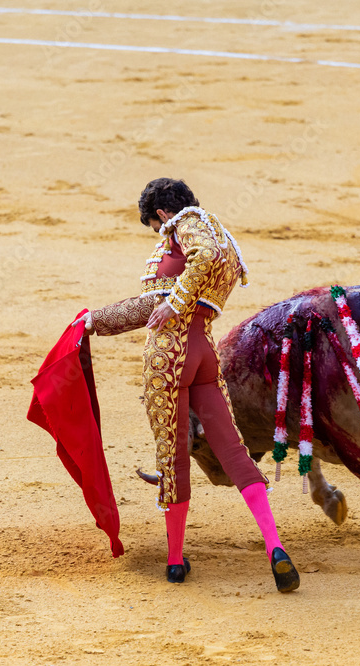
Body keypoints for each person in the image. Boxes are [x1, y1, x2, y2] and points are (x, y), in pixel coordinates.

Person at [74, 178, 299, 592]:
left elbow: (152, 304)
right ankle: (275, 548)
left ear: (162, 214)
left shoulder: (187, 227)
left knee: (173, 453)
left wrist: (95, 321)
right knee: (232, 449)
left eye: (155, 226)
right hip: (204, 350)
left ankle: (175, 561)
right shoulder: (222, 237)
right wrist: (177, 301)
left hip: (170, 355)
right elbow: (206, 269)